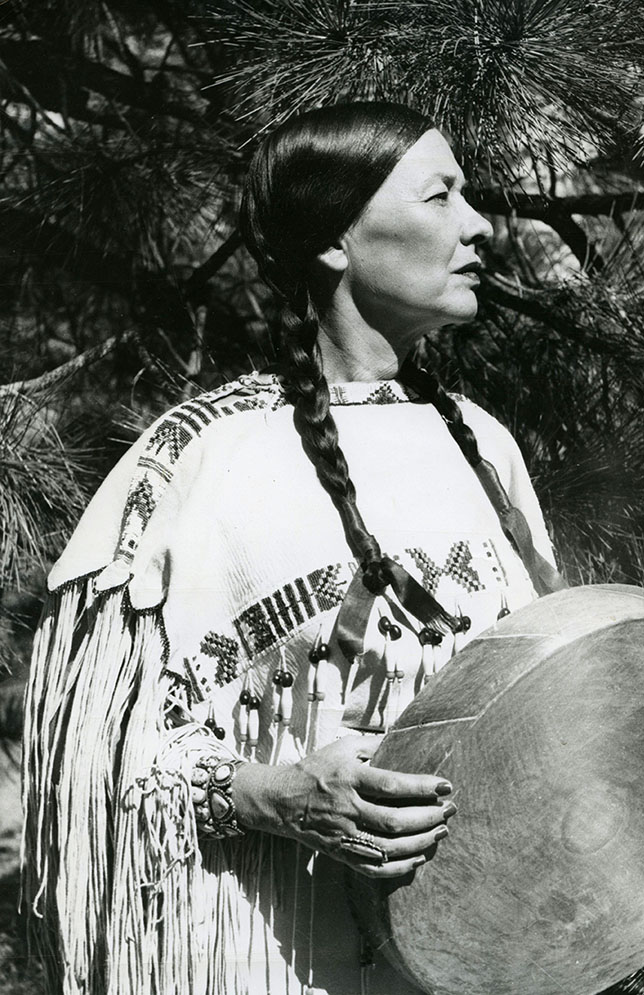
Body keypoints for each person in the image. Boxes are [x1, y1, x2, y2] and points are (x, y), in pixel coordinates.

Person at [22, 101, 562, 995]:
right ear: (334, 241)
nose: (478, 227)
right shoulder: (202, 453)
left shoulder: (484, 445)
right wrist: (278, 796)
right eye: (441, 196)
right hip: (266, 956)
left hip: (464, 961)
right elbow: (93, 762)